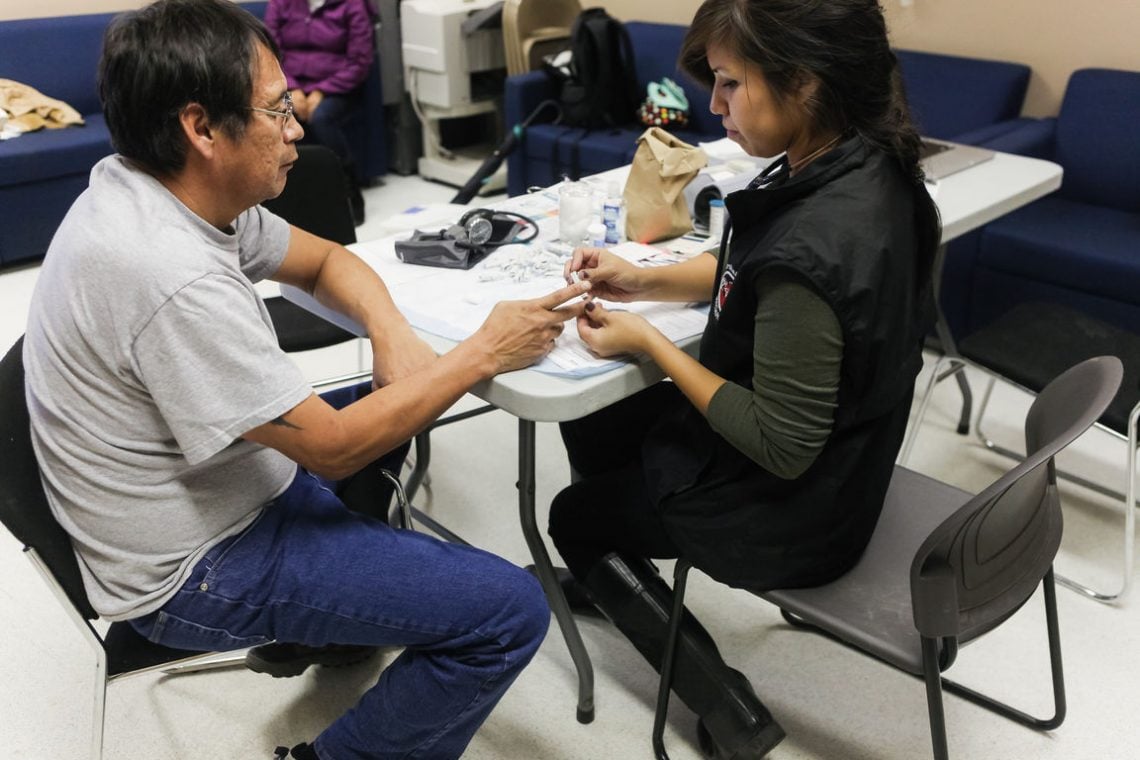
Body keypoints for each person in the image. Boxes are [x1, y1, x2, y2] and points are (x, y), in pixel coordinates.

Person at [21, 1, 590, 758]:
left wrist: (391, 339)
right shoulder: (166, 272)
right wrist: (481, 353)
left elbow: (327, 261)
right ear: (201, 127)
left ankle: (330, 627)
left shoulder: (167, 187)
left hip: (212, 481)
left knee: (402, 400)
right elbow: (331, 449)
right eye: (276, 109)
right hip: (192, 564)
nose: (295, 127)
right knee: (509, 612)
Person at [547, 0, 940, 757]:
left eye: (730, 84)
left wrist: (652, 348)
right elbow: (754, 274)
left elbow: (782, 442)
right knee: (591, 415)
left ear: (806, 84)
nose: (713, 104)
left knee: (574, 518)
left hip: (799, 507)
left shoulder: (819, 244)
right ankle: (617, 571)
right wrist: (642, 281)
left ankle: (731, 712)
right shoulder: (869, 165)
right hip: (850, 458)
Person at [264, 0, 376, 224]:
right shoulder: (281, 3)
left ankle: (350, 191)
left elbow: (359, 61)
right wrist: (291, 87)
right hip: (289, 85)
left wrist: (321, 91)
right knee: (274, 114)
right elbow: (269, 51)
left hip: (336, 87)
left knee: (322, 118)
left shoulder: (353, 5)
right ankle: (286, 196)